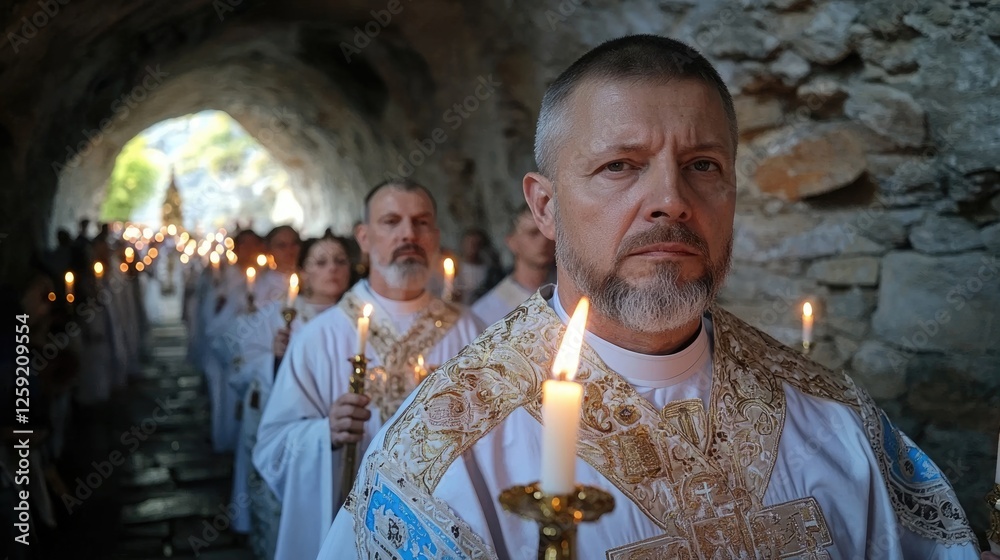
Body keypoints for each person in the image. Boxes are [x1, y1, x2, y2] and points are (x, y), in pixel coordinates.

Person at [321, 35, 980, 559]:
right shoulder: (443, 455)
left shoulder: (836, 420)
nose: (671, 199)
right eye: (620, 165)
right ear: (544, 207)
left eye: (703, 166)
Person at [253, 179, 483, 560]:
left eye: (421, 222)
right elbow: (272, 447)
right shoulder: (320, 337)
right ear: (364, 236)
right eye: (391, 221)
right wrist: (324, 433)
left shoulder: (471, 331)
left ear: (436, 235)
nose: (409, 233)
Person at [223, 234, 355, 550]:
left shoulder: (360, 321)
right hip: (291, 428)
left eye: (339, 261)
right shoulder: (277, 315)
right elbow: (239, 368)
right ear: (304, 272)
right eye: (321, 262)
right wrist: (274, 359)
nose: (332, 270)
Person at [471, 204, 556, 326]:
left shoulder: (569, 292)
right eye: (533, 233)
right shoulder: (485, 312)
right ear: (512, 241)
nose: (544, 241)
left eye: (549, 233)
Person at [453, 228, 503, 305]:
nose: (472, 247)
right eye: (469, 243)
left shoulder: (489, 270)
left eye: (476, 244)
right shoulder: (454, 266)